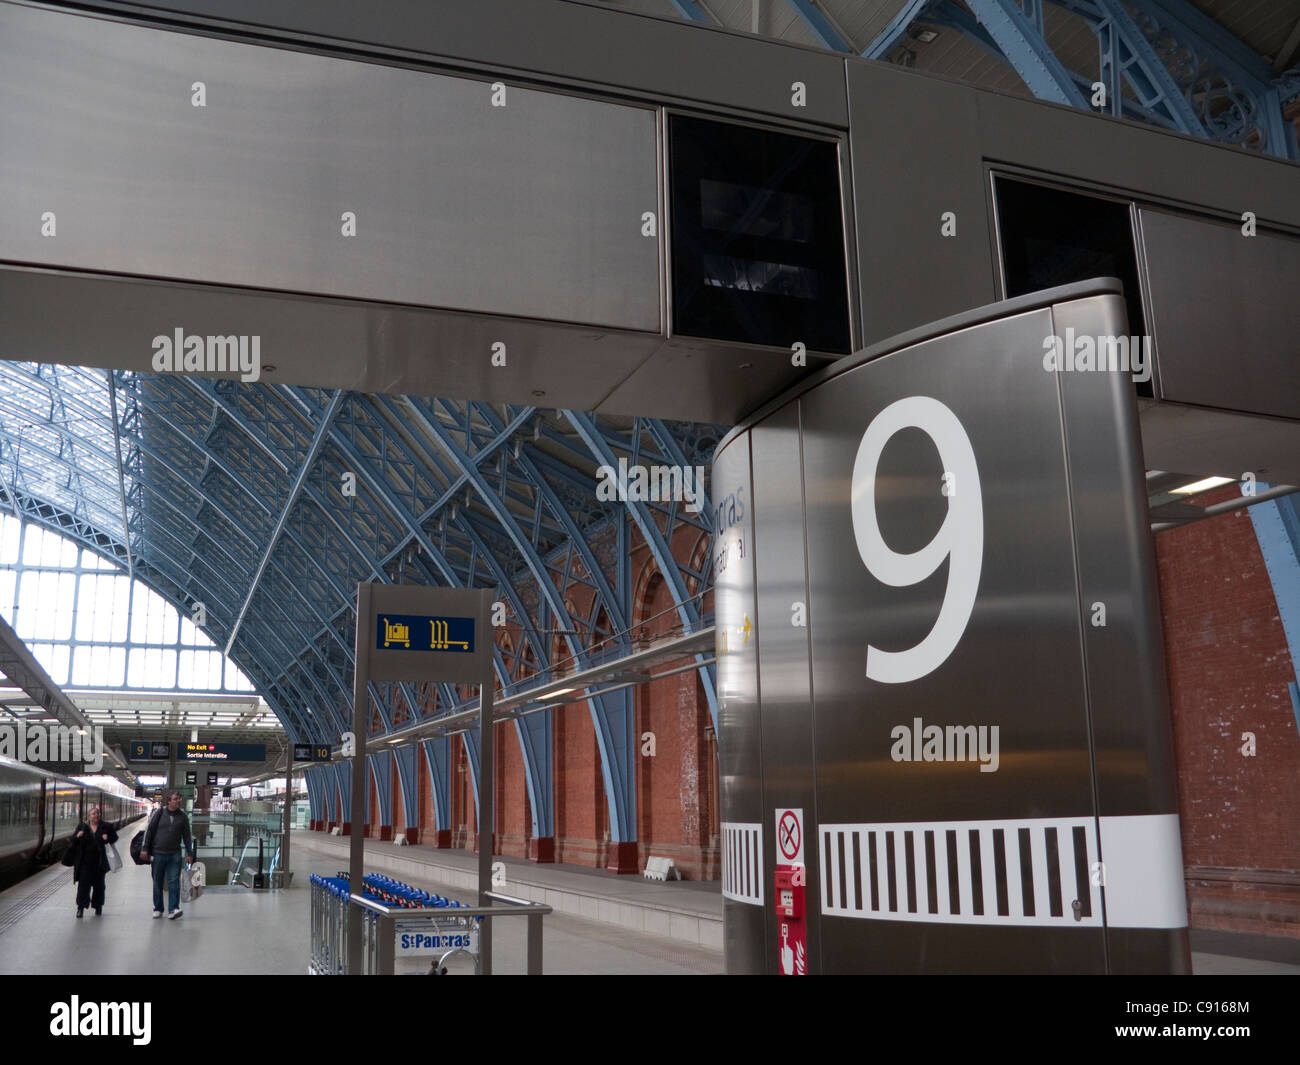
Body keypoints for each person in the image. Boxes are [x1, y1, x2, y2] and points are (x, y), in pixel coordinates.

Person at [140, 790, 195, 920]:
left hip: (174, 854)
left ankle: (173, 908)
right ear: (169, 801)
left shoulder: (183, 817)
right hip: (158, 854)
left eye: (179, 799)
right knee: (157, 882)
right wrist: (144, 849)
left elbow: (187, 836)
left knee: (174, 881)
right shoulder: (158, 813)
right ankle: (158, 908)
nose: (178, 801)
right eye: (175, 799)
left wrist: (189, 852)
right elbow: (149, 832)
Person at [71, 806, 118, 918]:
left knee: (99, 886)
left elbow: (115, 838)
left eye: (97, 813)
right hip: (85, 863)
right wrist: (77, 837)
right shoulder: (82, 827)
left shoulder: (106, 826)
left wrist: (107, 838)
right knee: (83, 886)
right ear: (88, 816)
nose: (96, 816)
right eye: (93, 814)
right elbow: (73, 841)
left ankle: (98, 906)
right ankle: (80, 908)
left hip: (100, 862)